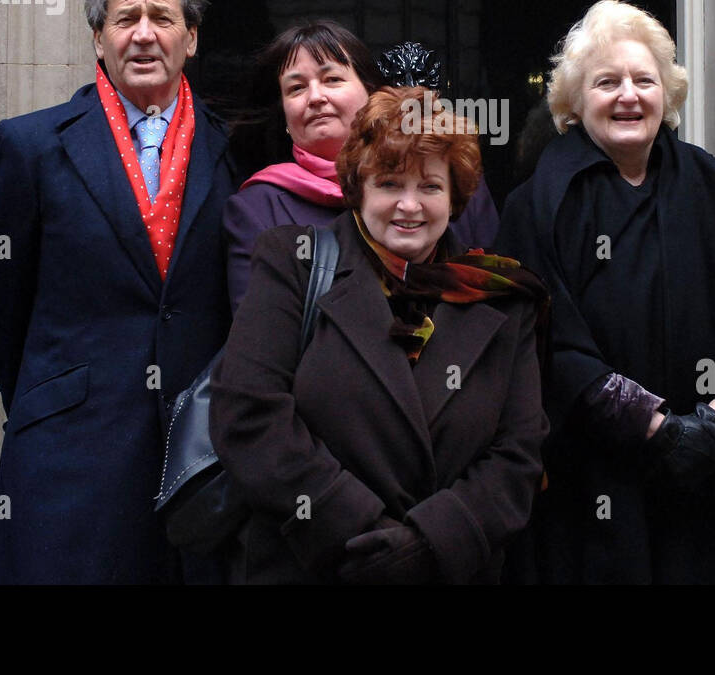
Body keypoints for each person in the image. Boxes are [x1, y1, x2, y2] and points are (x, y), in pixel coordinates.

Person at [0, 0, 236, 583]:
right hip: (70, 457)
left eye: (163, 18)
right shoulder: (31, 145)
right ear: (98, 37)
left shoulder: (232, 148)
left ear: (190, 38)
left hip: (197, 459)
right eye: (125, 19)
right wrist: (54, 394)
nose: (144, 35)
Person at [209, 87, 548, 584]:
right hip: (320, 564)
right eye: (390, 183)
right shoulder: (293, 264)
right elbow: (248, 415)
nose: (409, 206)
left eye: (429, 186)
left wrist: (428, 543)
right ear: (358, 187)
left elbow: (519, 454)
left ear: (454, 197)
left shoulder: (502, 297)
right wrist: (361, 530)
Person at [496, 0, 715, 584]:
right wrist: (656, 427)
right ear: (576, 100)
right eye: (607, 82)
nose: (629, 95)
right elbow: (548, 341)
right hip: (591, 483)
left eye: (644, 79)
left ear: (666, 93)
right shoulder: (536, 205)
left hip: (706, 470)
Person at [223, 20, 499, 311]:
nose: (316, 97)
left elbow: (491, 297)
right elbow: (260, 332)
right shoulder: (256, 208)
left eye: (332, 80)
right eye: (296, 88)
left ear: (371, 93)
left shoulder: (452, 179)